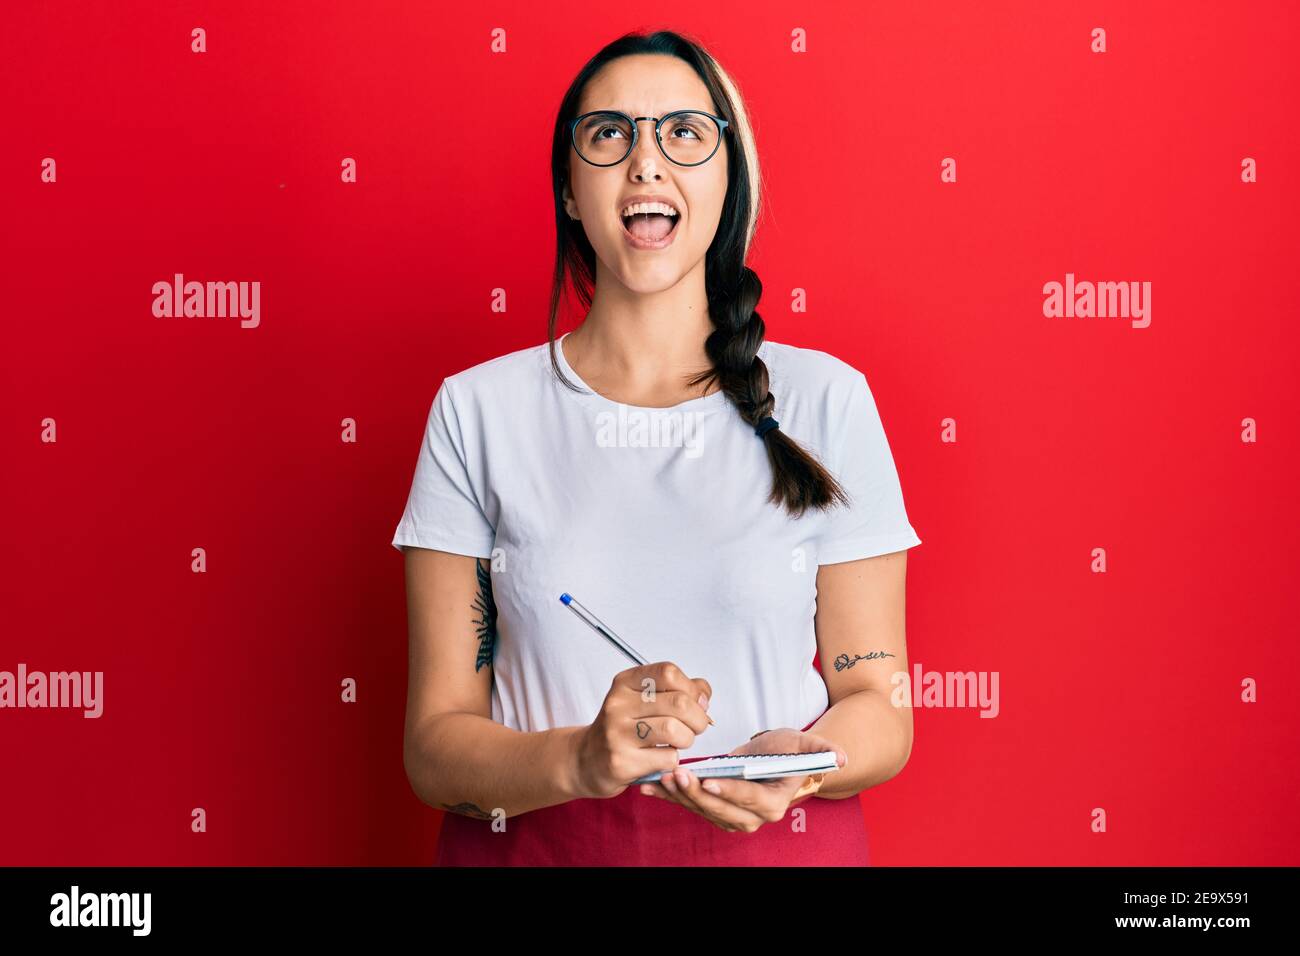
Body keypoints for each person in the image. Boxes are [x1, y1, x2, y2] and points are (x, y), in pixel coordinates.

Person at [392, 29, 921, 866]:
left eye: (684, 132)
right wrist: (579, 758)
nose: (645, 162)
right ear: (570, 190)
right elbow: (434, 748)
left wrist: (811, 764)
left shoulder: (829, 399)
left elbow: (880, 705)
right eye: (609, 134)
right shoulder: (474, 411)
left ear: (724, 179)